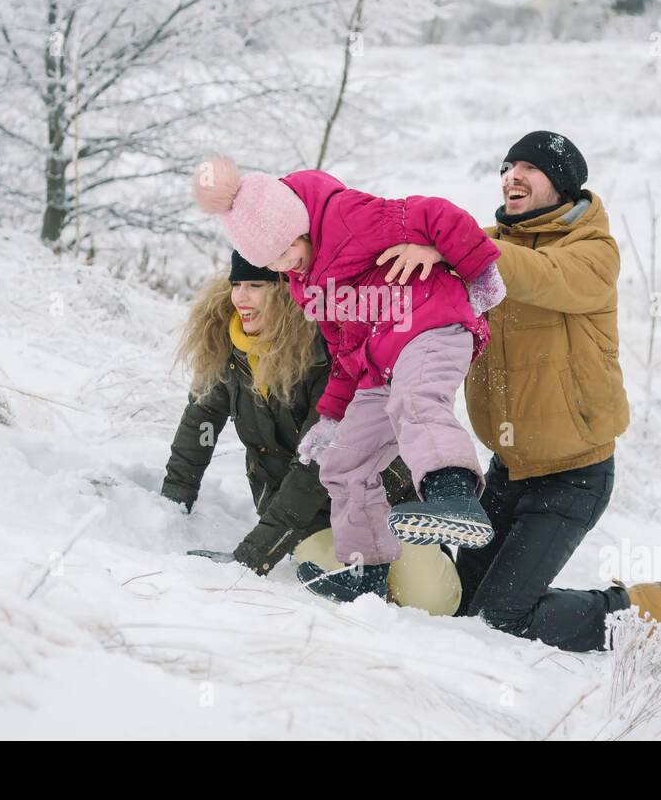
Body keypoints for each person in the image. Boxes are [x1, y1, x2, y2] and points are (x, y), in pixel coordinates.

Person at [378, 131, 661, 650]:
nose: (511, 176)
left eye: (528, 168)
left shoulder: (593, 251)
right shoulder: (488, 240)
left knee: (500, 620)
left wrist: (458, 246)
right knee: (459, 607)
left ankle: (635, 612)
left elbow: (543, 276)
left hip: (573, 476)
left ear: (560, 183)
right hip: (505, 469)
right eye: (506, 166)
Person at [191, 156, 507, 605]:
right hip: (380, 363)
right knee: (343, 462)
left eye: (285, 252)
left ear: (297, 224)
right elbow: (343, 354)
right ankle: (367, 571)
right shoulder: (304, 281)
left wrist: (479, 273)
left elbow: (435, 213)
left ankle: (451, 490)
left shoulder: (348, 216)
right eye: (274, 263)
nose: (285, 266)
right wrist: (331, 418)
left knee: (414, 401)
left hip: (430, 325)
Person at [161, 250, 462, 615]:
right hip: (308, 517)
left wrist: (253, 557)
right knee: (342, 590)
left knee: (434, 603)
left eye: (256, 285)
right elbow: (199, 427)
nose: (240, 297)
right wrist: (170, 510)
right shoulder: (228, 346)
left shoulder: (329, 352)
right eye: (236, 284)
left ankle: (430, 556)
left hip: (379, 498)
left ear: (287, 291)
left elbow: (315, 466)